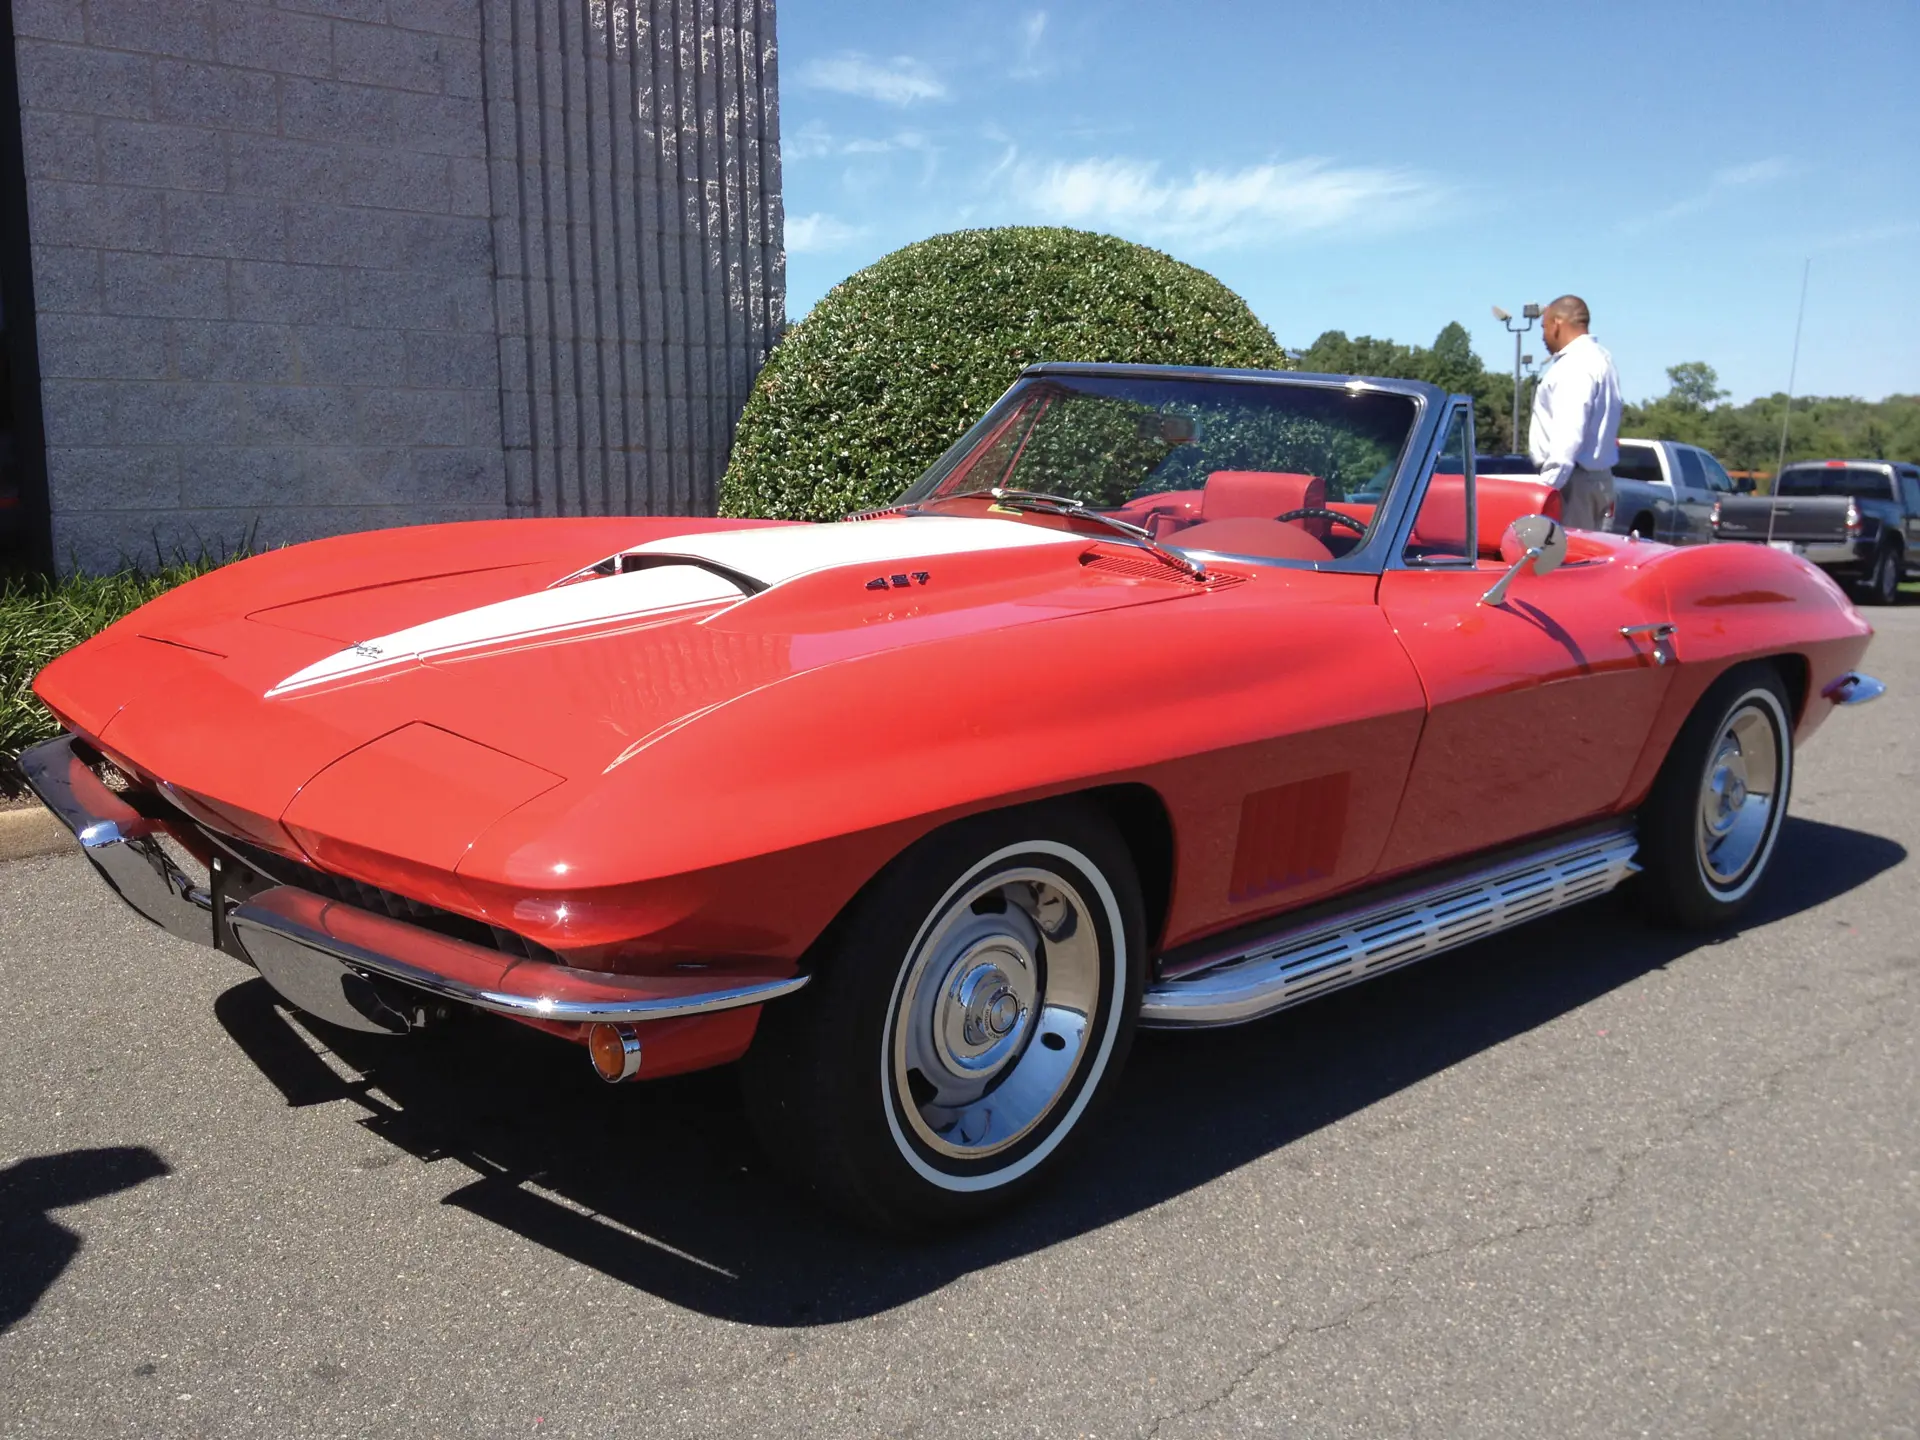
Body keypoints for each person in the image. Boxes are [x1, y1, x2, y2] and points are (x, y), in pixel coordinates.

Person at [1527, 295, 1623, 530]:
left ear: (1557, 323)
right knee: (1591, 558)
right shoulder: (1601, 359)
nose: (1542, 336)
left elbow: (1569, 433)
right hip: (1596, 478)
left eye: (1543, 326)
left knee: (1566, 560)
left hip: (1571, 483)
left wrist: (1545, 491)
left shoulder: (1574, 365)